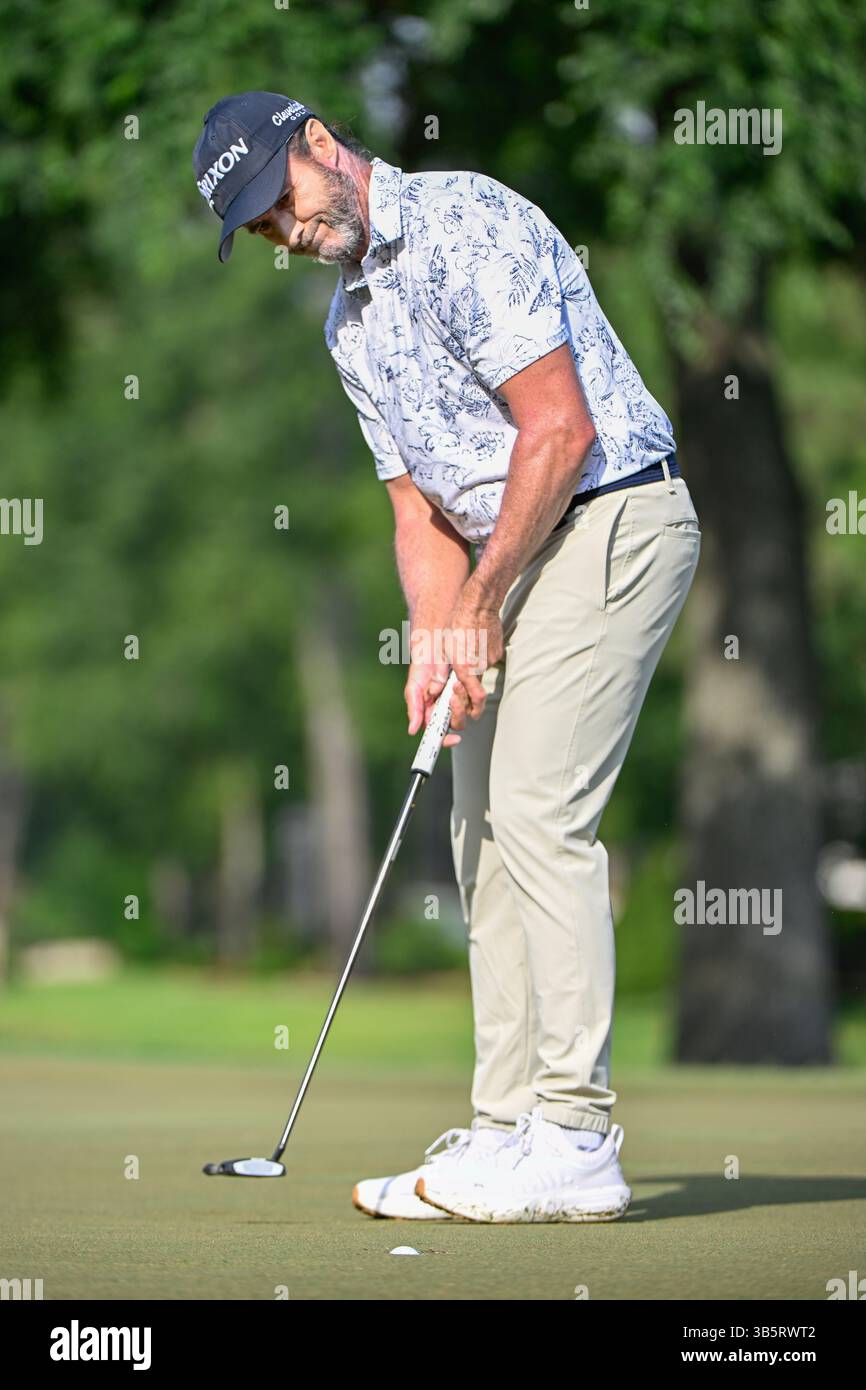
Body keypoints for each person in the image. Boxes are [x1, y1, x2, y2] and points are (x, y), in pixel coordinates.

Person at [193, 91, 701, 1223]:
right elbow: (417, 511)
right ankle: (505, 1128)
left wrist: (478, 601)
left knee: (534, 812)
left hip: (612, 517)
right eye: (260, 225)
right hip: (504, 565)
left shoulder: (466, 223)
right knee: (476, 840)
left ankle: (574, 1130)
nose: (284, 230)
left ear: (319, 142)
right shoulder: (347, 326)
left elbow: (559, 430)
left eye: (278, 198)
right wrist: (438, 638)